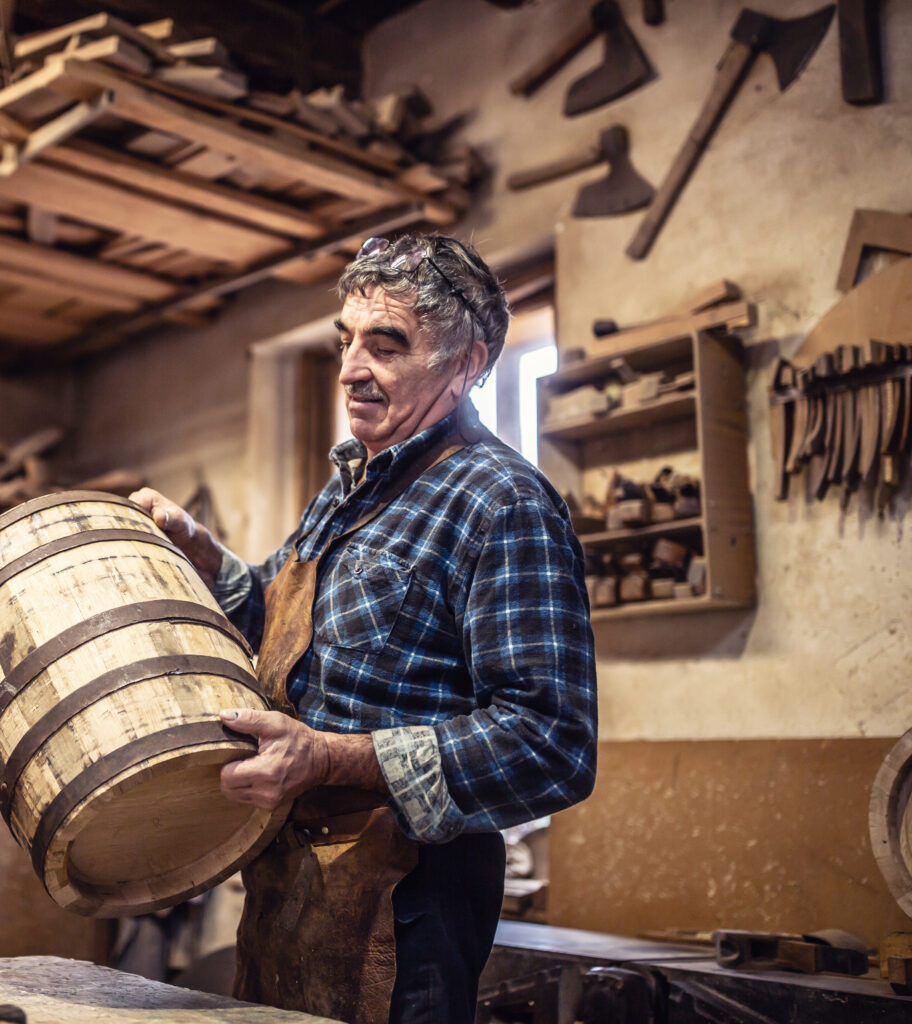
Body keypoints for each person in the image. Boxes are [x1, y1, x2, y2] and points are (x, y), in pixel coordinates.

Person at [130, 234, 597, 1024]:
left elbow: (551, 744)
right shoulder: (351, 488)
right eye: (345, 340)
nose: (350, 368)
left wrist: (327, 758)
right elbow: (277, 620)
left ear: (469, 365)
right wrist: (204, 557)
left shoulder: (502, 502)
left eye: (386, 346)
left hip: (404, 900)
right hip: (291, 882)